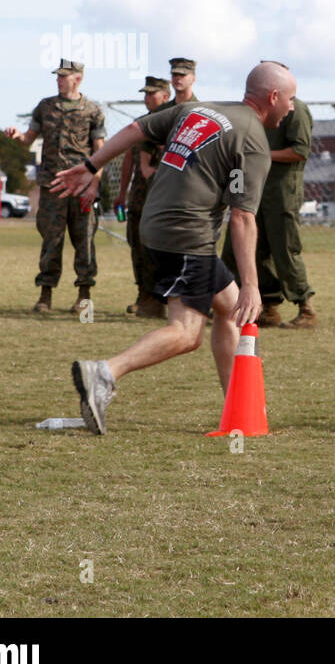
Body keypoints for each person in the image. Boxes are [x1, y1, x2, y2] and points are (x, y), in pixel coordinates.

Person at [50, 61, 295, 434]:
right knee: (186, 333)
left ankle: (238, 408)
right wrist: (251, 284)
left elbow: (135, 128)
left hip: (158, 223)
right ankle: (103, 372)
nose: (292, 107)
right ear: (273, 97)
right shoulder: (254, 141)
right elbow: (243, 218)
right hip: (186, 236)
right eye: (291, 99)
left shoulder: (198, 109)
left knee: (231, 311)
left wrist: (92, 164)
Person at [5, 59, 106, 313]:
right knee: (51, 240)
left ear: (78, 79)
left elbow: (100, 152)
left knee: (84, 241)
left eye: (64, 76)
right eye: (58, 77)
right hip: (53, 186)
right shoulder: (45, 107)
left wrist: (94, 185)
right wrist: (18, 137)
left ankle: (84, 296)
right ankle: (45, 295)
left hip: (81, 186)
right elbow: (28, 139)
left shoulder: (92, 110)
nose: (59, 80)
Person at [221, 89, 316, 328]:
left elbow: (299, 151)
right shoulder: (251, 114)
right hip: (253, 191)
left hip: (281, 192)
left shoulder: (296, 110)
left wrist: (259, 155)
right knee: (251, 248)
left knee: (284, 248)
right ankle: (268, 308)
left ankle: (305, 307)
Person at [115, 75, 171, 318]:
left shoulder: (175, 122)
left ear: (165, 96)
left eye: (152, 93)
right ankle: (144, 295)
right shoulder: (140, 125)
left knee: (162, 247)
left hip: (165, 196)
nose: (147, 98)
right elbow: (130, 159)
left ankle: (164, 297)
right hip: (140, 195)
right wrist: (122, 192)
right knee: (137, 245)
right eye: (145, 94)